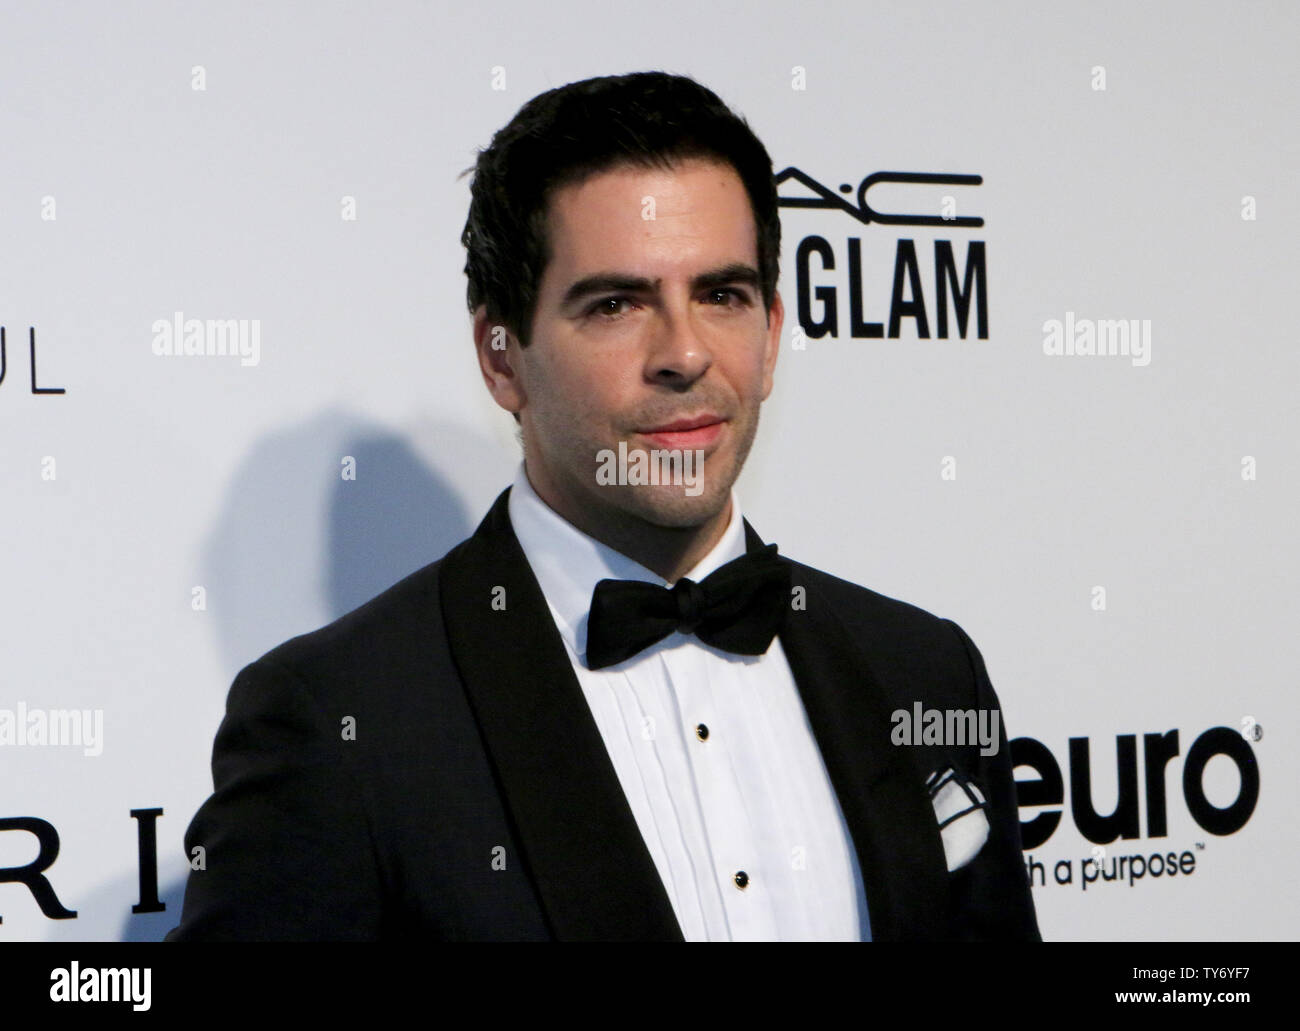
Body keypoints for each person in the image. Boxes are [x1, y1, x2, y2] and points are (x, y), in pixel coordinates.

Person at [165, 70, 1040, 941]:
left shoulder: (921, 669)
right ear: (502, 357)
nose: (685, 353)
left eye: (721, 295)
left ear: (771, 336)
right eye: (617, 304)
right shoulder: (336, 724)